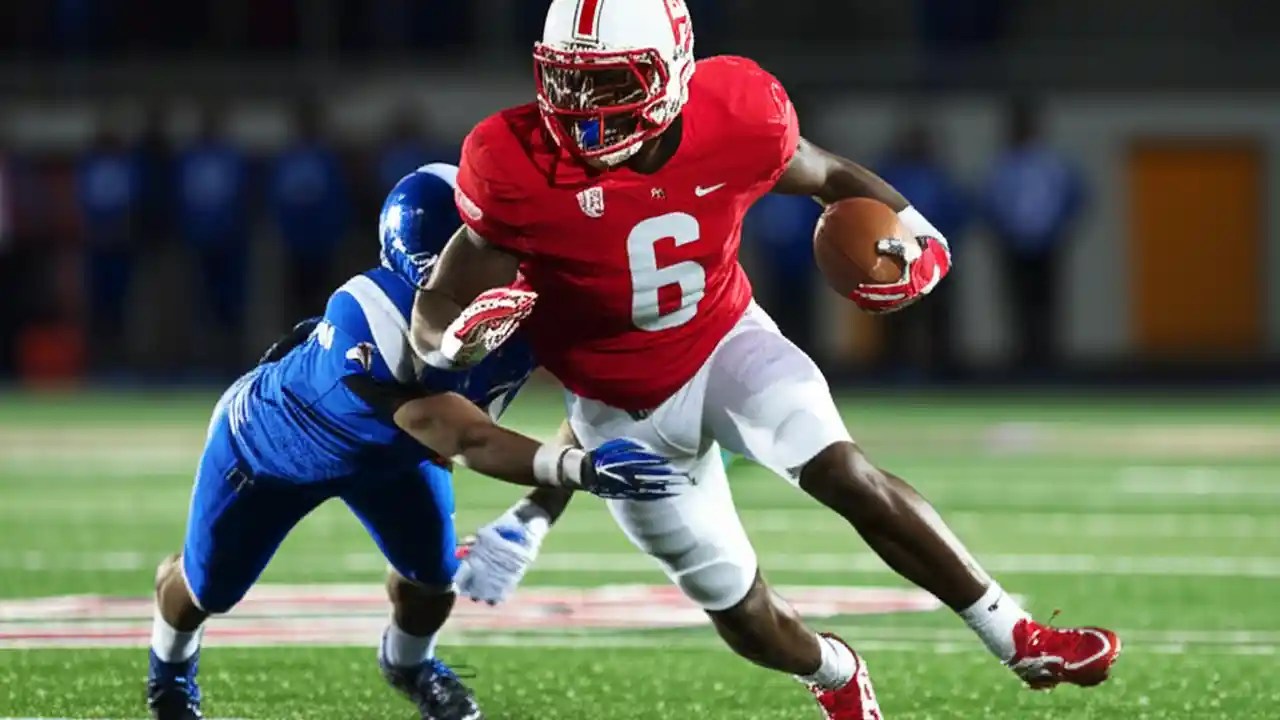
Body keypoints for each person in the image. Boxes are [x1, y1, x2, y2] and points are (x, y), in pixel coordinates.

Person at [409, 2, 1120, 718]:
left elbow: (831, 175)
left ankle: (1017, 636)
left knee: (845, 472)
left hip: (725, 342)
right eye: (569, 83)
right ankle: (835, 670)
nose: (583, 112)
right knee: (744, 614)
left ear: (672, 69)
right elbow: (434, 310)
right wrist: (454, 343)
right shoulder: (515, 164)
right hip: (615, 409)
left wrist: (919, 235)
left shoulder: (738, 112)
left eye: (610, 83)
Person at [145, 165, 685, 720]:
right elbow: (461, 434)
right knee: (208, 590)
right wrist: (576, 468)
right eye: (471, 254)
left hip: (394, 459)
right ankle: (169, 669)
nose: (492, 270)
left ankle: (408, 663)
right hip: (271, 454)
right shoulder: (373, 315)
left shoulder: (533, 302)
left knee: (431, 583)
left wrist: (542, 507)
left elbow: (592, 391)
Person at [983, 98, 1084, 371]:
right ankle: (1022, 355)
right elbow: (990, 201)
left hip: (1046, 242)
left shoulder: (1051, 163)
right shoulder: (1003, 164)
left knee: (1047, 300)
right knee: (1016, 301)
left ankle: (1047, 355)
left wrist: (1060, 228)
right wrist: (1001, 231)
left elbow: (1075, 197)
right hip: (1013, 242)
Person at [876, 121, 972, 376]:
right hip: (898, 258)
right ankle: (895, 367)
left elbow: (957, 211)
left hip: (930, 258)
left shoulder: (938, 176)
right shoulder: (892, 175)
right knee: (899, 317)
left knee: (938, 316)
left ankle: (942, 369)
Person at [176, 106, 251, 377]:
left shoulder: (230, 157)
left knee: (229, 304)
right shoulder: (192, 158)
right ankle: (201, 358)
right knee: (200, 303)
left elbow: (242, 197)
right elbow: (183, 199)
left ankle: (231, 359)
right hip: (200, 242)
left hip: (228, 242)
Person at [270, 98, 351, 318]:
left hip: (322, 241)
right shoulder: (288, 157)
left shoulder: (326, 157)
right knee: (295, 300)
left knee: (322, 298)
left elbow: (337, 196)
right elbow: (278, 198)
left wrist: (335, 231)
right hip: (295, 241)